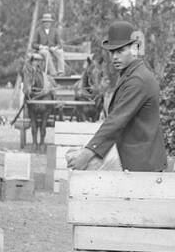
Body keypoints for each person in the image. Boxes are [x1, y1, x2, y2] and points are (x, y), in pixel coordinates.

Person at [66, 20, 165, 172]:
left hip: (141, 164)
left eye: (120, 51)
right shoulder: (130, 74)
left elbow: (116, 121)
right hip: (132, 156)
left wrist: (87, 154)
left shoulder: (138, 80)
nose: (115, 57)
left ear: (134, 50)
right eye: (112, 52)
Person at [21, 50, 56, 150]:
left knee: (43, 124)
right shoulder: (30, 70)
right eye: (35, 60)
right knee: (33, 122)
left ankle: (42, 142)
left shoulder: (44, 72)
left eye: (39, 60)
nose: (37, 62)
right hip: (32, 95)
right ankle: (34, 142)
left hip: (46, 83)